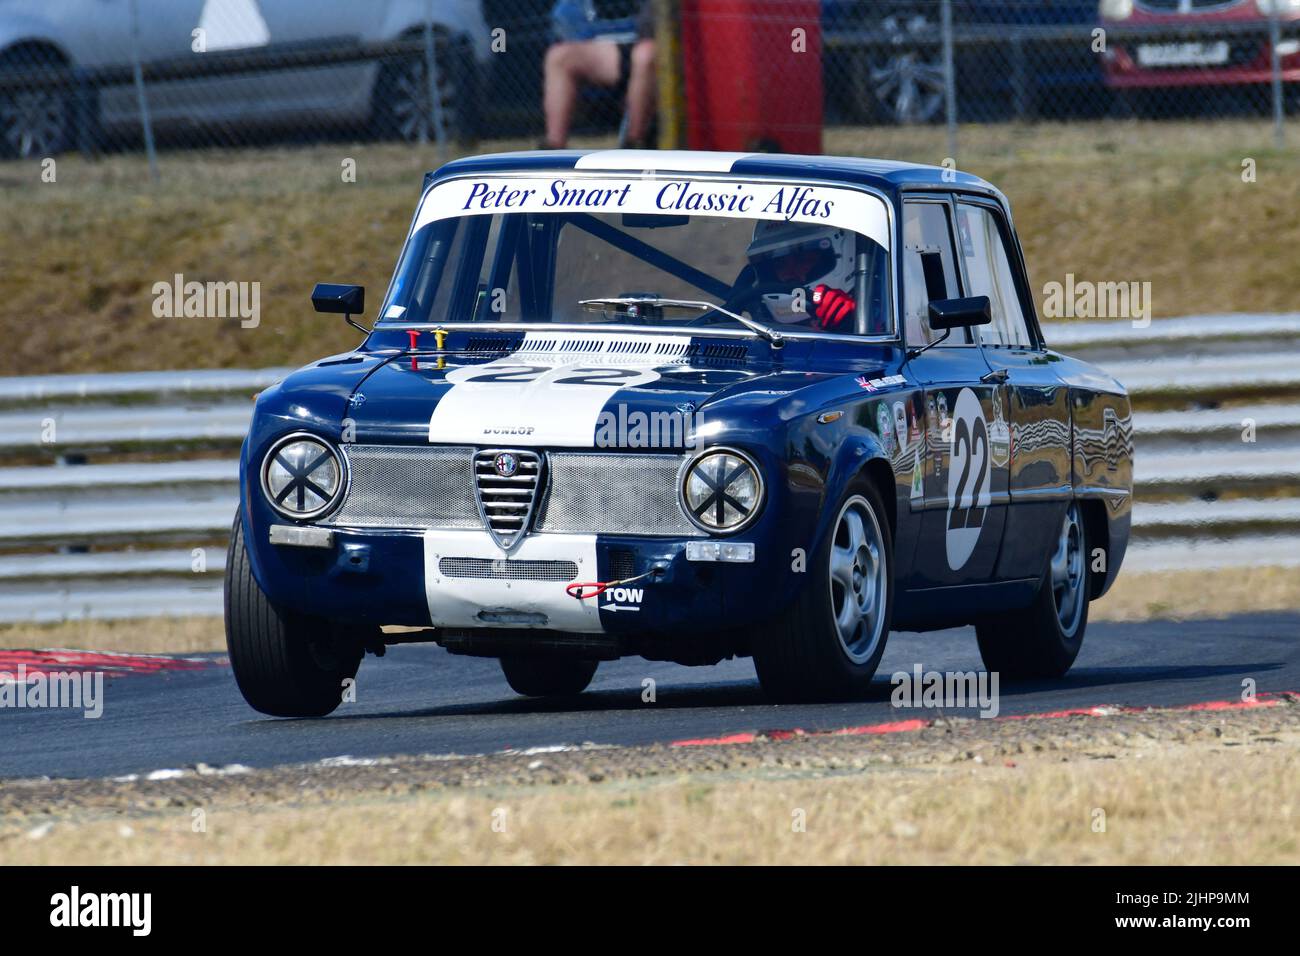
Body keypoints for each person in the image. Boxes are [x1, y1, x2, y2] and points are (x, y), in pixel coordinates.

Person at [542, 1, 656, 149]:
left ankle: (634, 144)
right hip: (630, 44)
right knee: (559, 57)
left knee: (645, 55)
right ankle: (554, 148)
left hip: (665, 46)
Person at [742, 220, 860, 331]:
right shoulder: (760, 327)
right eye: (779, 263)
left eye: (803, 259)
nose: (789, 273)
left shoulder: (871, 319)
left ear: (844, 254)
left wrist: (853, 325)